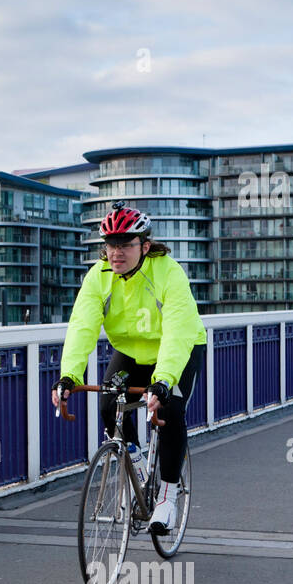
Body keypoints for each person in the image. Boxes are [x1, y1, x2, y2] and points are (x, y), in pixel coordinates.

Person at [50, 202, 207, 535]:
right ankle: (135, 463)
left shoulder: (168, 273)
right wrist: (69, 375)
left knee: (170, 409)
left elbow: (178, 331)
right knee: (108, 404)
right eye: (110, 244)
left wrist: (163, 380)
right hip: (131, 353)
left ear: (144, 246)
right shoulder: (99, 277)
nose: (116, 252)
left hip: (180, 348)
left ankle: (167, 496)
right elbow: (82, 326)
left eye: (125, 244)